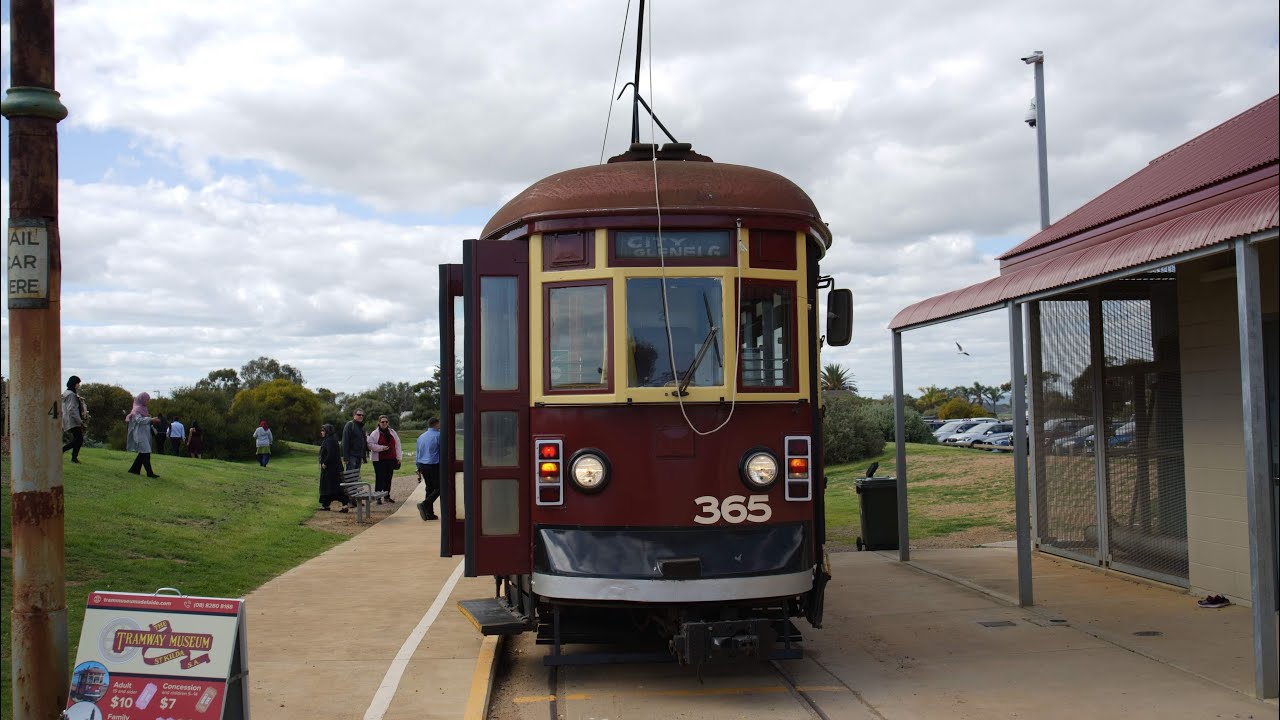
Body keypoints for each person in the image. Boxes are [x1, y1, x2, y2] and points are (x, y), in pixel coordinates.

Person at [366, 415, 401, 504]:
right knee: (380, 478)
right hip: (379, 460)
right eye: (382, 422)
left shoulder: (392, 432)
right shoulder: (375, 433)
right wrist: (381, 448)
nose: (384, 423)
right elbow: (370, 445)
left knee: (388, 478)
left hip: (391, 459)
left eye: (386, 421)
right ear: (379, 423)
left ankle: (387, 496)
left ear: (388, 423)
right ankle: (378, 497)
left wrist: (399, 457)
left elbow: (397, 445)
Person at [125, 392, 161, 477]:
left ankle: (134, 470)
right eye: (146, 400)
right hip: (139, 434)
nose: (147, 401)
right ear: (142, 399)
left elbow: (145, 420)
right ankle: (150, 473)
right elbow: (139, 420)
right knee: (146, 452)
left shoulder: (144, 409)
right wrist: (151, 419)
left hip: (145, 434)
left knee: (143, 453)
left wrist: (151, 420)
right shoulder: (136, 409)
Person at [318, 424, 351, 512]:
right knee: (331, 486)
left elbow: (330, 453)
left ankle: (341, 504)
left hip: (330, 468)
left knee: (332, 486)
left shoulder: (329, 440)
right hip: (334, 468)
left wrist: (325, 462)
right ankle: (326, 504)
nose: (321, 432)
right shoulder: (332, 439)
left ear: (327, 431)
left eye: (323, 430)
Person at [416, 417, 441, 521]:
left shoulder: (421, 437)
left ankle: (429, 513)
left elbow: (418, 453)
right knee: (439, 488)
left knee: (429, 488)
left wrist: (417, 467)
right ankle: (425, 504)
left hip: (422, 465)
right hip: (433, 465)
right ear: (436, 424)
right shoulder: (438, 436)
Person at [61, 375, 90, 464]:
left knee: (77, 439)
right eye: (78, 383)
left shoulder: (66, 393)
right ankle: (63, 451)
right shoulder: (71, 395)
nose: (79, 385)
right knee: (79, 439)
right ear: (74, 384)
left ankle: (74, 458)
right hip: (73, 421)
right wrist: (79, 421)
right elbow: (72, 409)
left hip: (67, 419)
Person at [341, 409, 368, 474]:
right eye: (359, 415)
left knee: (356, 477)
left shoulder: (361, 428)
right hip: (351, 456)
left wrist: (364, 457)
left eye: (362, 415)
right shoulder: (350, 425)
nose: (361, 416)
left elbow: (363, 443)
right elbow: (345, 441)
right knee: (350, 476)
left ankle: (354, 484)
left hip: (359, 456)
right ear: (354, 415)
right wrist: (346, 457)